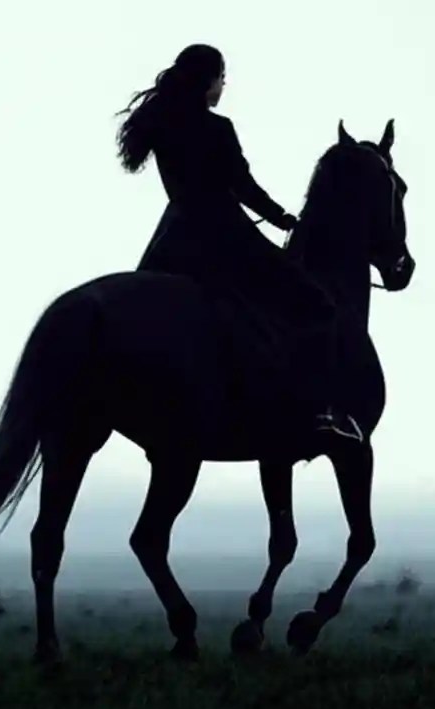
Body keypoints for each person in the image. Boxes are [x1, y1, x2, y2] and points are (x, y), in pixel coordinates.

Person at [115, 43, 362, 444]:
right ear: (209, 80)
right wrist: (282, 216)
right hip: (223, 234)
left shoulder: (160, 123)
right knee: (315, 304)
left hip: (174, 237)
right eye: (222, 78)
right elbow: (241, 185)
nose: (223, 86)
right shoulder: (217, 128)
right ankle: (319, 412)